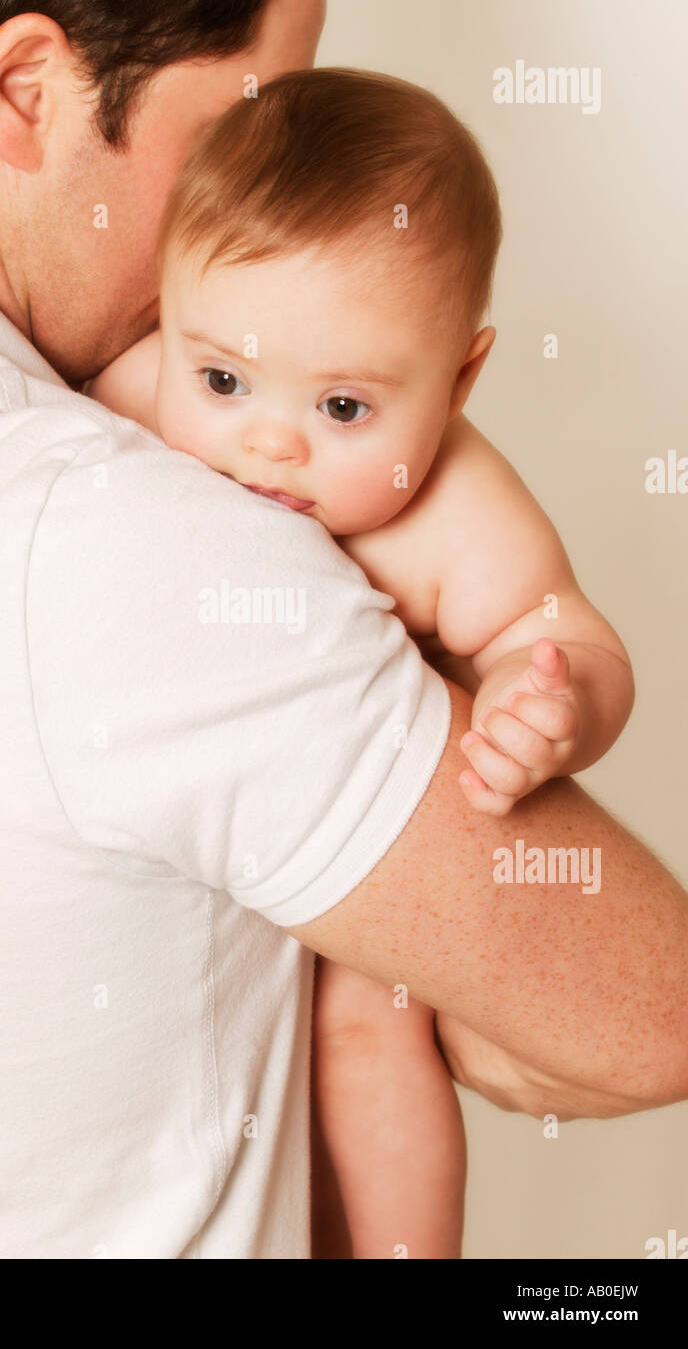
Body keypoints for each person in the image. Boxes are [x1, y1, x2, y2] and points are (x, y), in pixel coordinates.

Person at [0, 0, 685, 1261]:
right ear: (27, 91)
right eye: (242, 127)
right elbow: (647, 1007)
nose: (273, 205)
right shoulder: (121, 529)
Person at [85, 65, 635, 1258]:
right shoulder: (117, 403)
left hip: (367, 848)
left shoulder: (448, 510)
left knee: (367, 1034)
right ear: (166, 322)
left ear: (459, 380)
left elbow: (567, 638)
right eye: (221, 378)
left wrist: (550, 705)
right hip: (181, 846)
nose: (266, 440)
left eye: (342, 408)